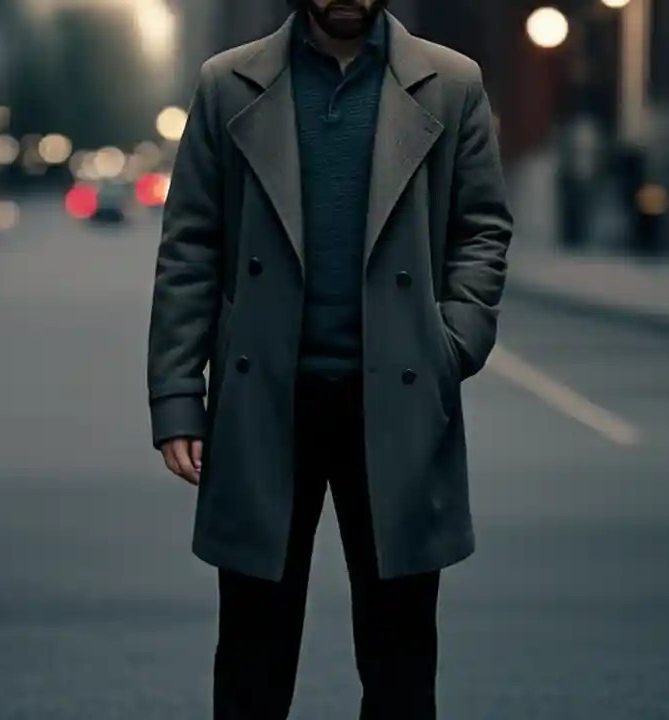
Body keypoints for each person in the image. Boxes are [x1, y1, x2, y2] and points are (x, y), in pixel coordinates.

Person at [146, 0, 513, 716]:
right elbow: (190, 248)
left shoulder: (452, 82)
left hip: (397, 397)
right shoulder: (228, 83)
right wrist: (176, 397)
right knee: (254, 651)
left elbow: (482, 229)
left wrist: (453, 342)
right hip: (264, 401)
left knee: (400, 655)